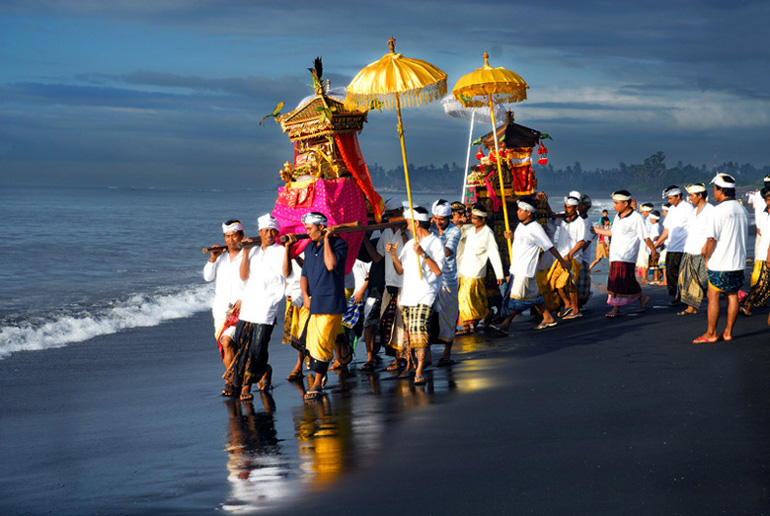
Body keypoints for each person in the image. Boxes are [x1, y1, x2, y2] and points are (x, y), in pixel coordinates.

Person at [225, 214, 287, 401]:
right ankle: (259, 374)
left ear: (276, 232)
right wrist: (244, 252)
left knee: (258, 348)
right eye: (265, 230)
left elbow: (286, 272)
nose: (268, 234)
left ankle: (248, 385)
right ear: (259, 232)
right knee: (244, 346)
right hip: (249, 306)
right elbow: (243, 276)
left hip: (267, 307)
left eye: (272, 230)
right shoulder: (253, 251)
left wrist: (289, 247)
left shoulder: (281, 251)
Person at [385, 206, 445, 385]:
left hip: (425, 294)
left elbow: (438, 271)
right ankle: (413, 364)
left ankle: (419, 369)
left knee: (419, 330)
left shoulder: (435, 243)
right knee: (410, 335)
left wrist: (423, 254)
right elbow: (400, 270)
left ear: (417, 222)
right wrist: (394, 255)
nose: (407, 224)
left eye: (410, 221)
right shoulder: (411, 243)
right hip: (408, 295)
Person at [294, 212, 348, 400]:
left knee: (322, 342)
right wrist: (305, 296)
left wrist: (326, 240)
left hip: (332, 301)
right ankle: (320, 375)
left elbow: (331, 265)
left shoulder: (339, 244)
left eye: (309, 229)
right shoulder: (309, 248)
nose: (307, 233)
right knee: (311, 341)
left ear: (321, 228)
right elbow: (304, 274)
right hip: (313, 300)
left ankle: (317, 382)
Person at [496, 197, 571, 332]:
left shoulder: (535, 228)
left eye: (520, 210)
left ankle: (505, 324)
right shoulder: (521, 225)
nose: (517, 212)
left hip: (524, 269)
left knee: (516, 298)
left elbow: (549, 246)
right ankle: (547, 317)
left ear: (528, 212)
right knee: (534, 296)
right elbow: (523, 241)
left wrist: (562, 260)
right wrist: (511, 237)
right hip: (517, 267)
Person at [693, 173, 748, 343]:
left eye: (715, 189)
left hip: (721, 262)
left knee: (713, 295)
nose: (714, 193)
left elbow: (711, 239)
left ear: (720, 191)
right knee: (732, 296)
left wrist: (708, 258)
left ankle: (711, 333)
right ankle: (728, 332)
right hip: (738, 262)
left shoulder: (718, 211)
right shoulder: (742, 209)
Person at [592, 190, 658, 317]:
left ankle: (615, 308)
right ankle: (642, 298)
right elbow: (612, 232)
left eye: (617, 203)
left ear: (626, 203)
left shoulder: (636, 218)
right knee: (627, 280)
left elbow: (646, 237)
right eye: (614, 203)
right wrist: (596, 230)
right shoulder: (617, 217)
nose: (614, 206)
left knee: (619, 281)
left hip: (627, 255)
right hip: (615, 254)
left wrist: (653, 252)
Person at [203, 220, 245, 396]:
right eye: (227, 237)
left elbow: (257, 279)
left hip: (242, 308)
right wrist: (213, 258)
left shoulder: (249, 254)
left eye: (233, 236)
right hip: (220, 310)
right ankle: (240, 378)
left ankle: (232, 381)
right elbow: (207, 277)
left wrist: (244, 299)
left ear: (241, 236)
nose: (230, 240)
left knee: (228, 342)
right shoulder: (220, 258)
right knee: (225, 345)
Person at [456, 203, 504, 334]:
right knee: (470, 299)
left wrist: (499, 274)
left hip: (476, 271)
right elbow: (458, 228)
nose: (473, 221)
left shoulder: (487, 233)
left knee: (467, 299)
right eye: (472, 218)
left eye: (476, 218)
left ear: (483, 219)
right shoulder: (470, 230)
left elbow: (494, 254)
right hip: (465, 269)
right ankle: (477, 320)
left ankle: (476, 320)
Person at [375, 198, 410, 370]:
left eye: (392, 215)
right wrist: (362, 238)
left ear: (400, 213)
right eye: (387, 215)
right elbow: (377, 256)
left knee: (404, 323)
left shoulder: (410, 231)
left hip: (407, 283)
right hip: (390, 282)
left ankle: (405, 357)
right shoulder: (386, 232)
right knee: (387, 320)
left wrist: (403, 231)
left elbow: (409, 249)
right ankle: (396, 355)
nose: (389, 219)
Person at [429, 199, 462, 366]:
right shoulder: (431, 229)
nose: (438, 222)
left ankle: (446, 354)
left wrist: (427, 249)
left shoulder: (455, 231)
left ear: (449, 217)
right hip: (430, 280)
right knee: (428, 318)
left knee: (449, 318)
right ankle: (426, 354)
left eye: (441, 219)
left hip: (448, 280)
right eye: (435, 218)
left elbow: (448, 252)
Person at [676, 183, 714, 316]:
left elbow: (712, 232)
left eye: (692, 195)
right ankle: (691, 307)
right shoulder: (694, 210)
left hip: (701, 250)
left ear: (700, 195)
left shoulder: (710, 210)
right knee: (687, 278)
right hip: (689, 248)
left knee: (703, 280)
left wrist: (706, 247)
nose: (690, 198)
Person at [548, 193, 587, 319]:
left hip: (573, 258)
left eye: (569, 207)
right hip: (560, 257)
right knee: (555, 283)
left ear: (576, 208)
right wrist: (545, 203)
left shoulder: (581, 222)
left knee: (570, 284)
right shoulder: (563, 220)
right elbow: (552, 215)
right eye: (565, 207)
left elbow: (582, 241)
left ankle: (576, 310)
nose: (566, 209)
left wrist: (570, 254)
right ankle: (567, 303)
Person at [654, 186, 693, 304]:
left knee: (679, 273)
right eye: (668, 199)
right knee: (671, 272)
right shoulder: (672, 210)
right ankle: (677, 295)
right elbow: (667, 229)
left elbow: (693, 227)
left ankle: (682, 297)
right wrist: (657, 243)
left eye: (671, 198)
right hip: (671, 246)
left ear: (678, 196)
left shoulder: (688, 208)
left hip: (683, 247)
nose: (669, 201)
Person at [740, 186, 770, 318]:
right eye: (767, 199)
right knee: (761, 284)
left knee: (763, 284)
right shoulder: (764, 213)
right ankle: (748, 305)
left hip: (767, 254)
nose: (768, 202)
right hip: (765, 254)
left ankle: (748, 305)